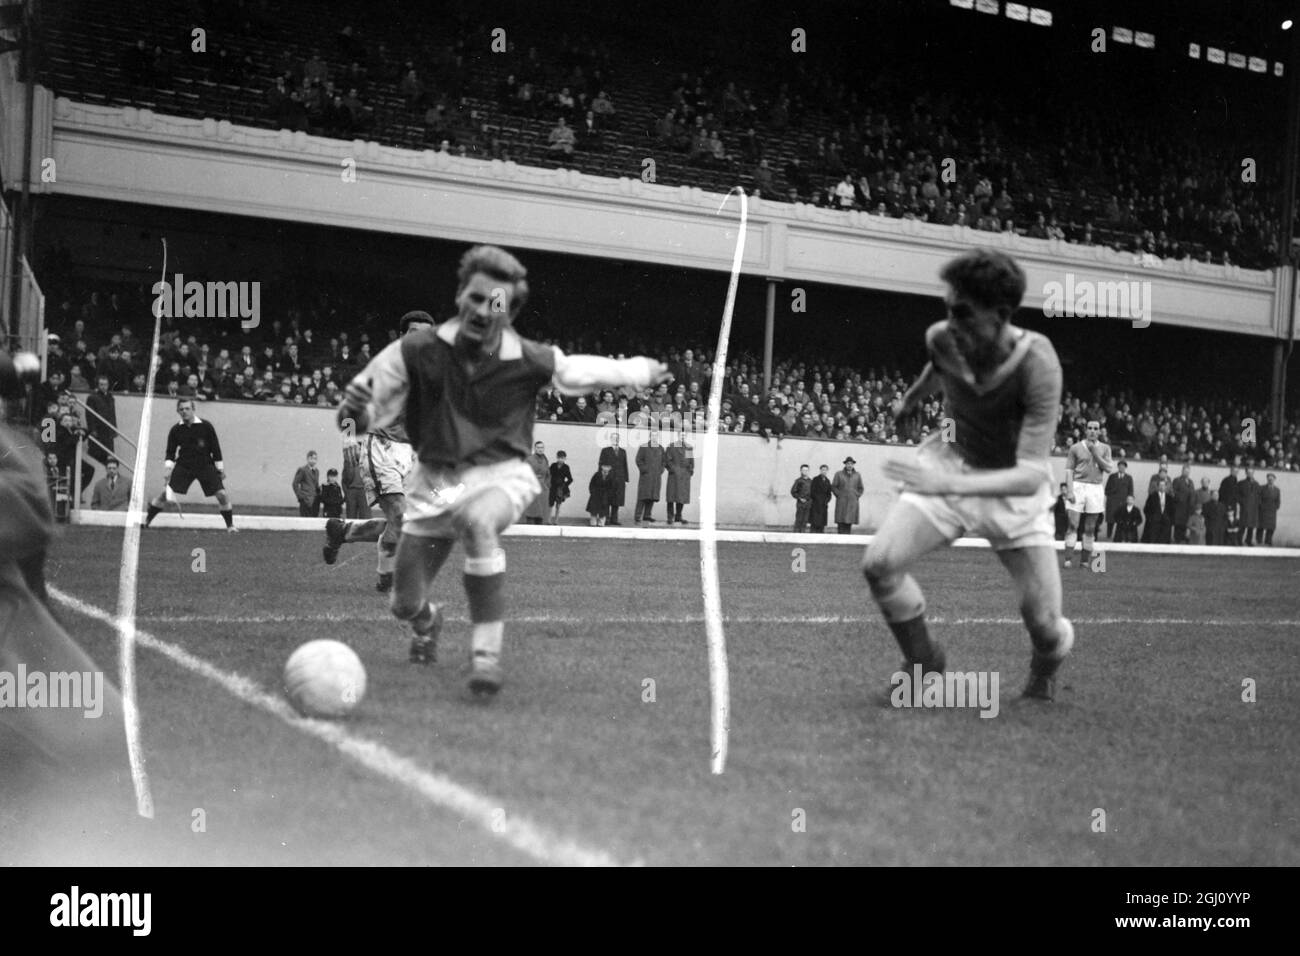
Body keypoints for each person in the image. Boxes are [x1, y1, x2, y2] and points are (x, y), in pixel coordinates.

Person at [336, 245, 670, 695]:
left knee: (478, 521)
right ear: (460, 297)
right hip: (435, 485)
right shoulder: (419, 349)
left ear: (509, 309)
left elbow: (574, 372)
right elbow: (370, 388)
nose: (481, 308)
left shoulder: (528, 357)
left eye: (494, 301)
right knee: (403, 602)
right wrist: (358, 410)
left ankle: (485, 658)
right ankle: (428, 623)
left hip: (500, 474)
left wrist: (636, 368)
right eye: (474, 297)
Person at [867, 248, 1074, 702]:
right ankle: (923, 662)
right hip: (954, 462)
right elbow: (938, 367)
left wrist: (946, 485)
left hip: (1010, 489)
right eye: (948, 309)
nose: (950, 323)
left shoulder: (1038, 363)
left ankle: (1045, 669)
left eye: (963, 313)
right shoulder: (943, 337)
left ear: (1000, 315)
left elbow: (1030, 477)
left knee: (1044, 624)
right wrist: (910, 400)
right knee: (880, 565)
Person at [322, 312, 434, 598]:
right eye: (413, 332)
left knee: (406, 524)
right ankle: (386, 578)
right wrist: (348, 438)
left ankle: (342, 532)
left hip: (409, 453)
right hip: (380, 447)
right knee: (399, 514)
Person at [144, 399, 238, 531]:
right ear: (178, 411)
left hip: (205, 465)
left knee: (222, 495)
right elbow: (170, 452)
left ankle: (230, 526)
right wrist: (168, 470)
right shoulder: (176, 429)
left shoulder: (206, 426)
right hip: (184, 466)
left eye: (187, 408)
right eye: (181, 409)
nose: (184, 412)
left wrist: (220, 469)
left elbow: (215, 449)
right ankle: (147, 522)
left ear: (193, 409)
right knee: (164, 494)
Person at [1061, 420, 1116, 569]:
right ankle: (1067, 559)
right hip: (1078, 486)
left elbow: (1109, 468)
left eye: (1095, 428)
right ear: (1086, 430)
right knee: (1073, 524)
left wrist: (1095, 453)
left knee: (1090, 528)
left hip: (1095, 487)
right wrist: (1070, 490)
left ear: (1099, 431)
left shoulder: (1105, 448)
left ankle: (1084, 561)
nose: (1092, 430)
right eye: (1090, 428)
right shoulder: (1075, 448)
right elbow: (1069, 471)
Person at [633, 433, 666, 525]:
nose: (654, 437)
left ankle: (647, 515)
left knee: (652, 497)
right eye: (653, 436)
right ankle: (637, 516)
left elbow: (664, 461)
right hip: (646, 476)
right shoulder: (644, 447)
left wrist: (660, 470)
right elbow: (638, 460)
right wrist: (645, 470)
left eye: (656, 436)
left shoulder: (660, 448)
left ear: (658, 437)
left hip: (656, 477)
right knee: (642, 496)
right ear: (650, 437)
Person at [599, 433, 629, 526]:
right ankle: (606, 518)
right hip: (609, 478)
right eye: (613, 438)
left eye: (617, 438)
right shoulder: (605, 451)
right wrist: (601, 477)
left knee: (617, 500)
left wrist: (626, 479)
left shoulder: (623, 451)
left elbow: (625, 465)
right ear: (610, 439)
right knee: (607, 499)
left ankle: (614, 519)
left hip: (619, 479)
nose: (615, 440)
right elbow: (601, 464)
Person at [664, 431, 694, 525]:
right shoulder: (671, 446)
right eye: (681, 435)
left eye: (685, 435)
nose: (683, 437)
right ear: (678, 435)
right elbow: (667, 461)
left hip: (684, 475)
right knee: (671, 497)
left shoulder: (689, 448)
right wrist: (674, 470)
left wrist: (689, 471)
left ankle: (678, 516)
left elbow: (691, 461)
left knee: (682, 497)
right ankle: (670, 517)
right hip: (674, 475)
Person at [832, 457, 864, 534]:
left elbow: (861, 488)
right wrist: (839, 495)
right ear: (845, 464)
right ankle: (839, 540)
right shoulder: (839, 474)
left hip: (852, 502)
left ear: (853, 465)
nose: (849, 465)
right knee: (841, 521)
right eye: (848, 463)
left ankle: (847, 538)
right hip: (841, 502)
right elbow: (833, 486)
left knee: (849, 521)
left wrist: (856, 495)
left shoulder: (857, 475)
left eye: (851, 464)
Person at [1103, 460, 1133, 540]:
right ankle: (1108, 536)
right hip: (1112, 502)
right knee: (1111, 521)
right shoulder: (1112, 476)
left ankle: (1121, 538)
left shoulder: (1129, 478)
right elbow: (1106, 490)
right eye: (1120, 466)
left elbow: (1130, 491)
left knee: (1122, 521)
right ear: (1118, 467)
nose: (1121, 468)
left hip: (1123, 503)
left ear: (1125, 468)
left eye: (1123, 466)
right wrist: (1113, 493)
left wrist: (1129, 501)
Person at [340, 438, 369, 518]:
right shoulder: (348, 462)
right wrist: (347, 493)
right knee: (351, 517)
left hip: (363, 492)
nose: (359, 451)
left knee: (365, 517)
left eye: (360, 449)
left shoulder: (367, 463)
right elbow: (344, 480)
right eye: (357, 449)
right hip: (351, 492)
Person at [522, 441, 549, 524]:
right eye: (538, 447)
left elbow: (548, 474)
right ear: (535, 448)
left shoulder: (545, 460)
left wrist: (547, 485)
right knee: (532, 509)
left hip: (542, 488)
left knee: (541, 510)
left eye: (542, 447)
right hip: (532, 486)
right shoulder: (529, 459)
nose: (540, 449)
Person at [1142, 477, 1174, 544]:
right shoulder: (1152, 496)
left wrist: (1170, 520)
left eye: (1163, 485)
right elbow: (1146, 509)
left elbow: (1173, 511)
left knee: (1164, 543)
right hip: (1154, 524)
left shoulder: (1169, 498)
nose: (1162, 487)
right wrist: (1151, 519)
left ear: (1166, 486)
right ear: (1158, 486)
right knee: (1153, 541)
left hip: (1165, 524)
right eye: (1160, 485)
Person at [1170, 463, 1196, 544]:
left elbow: (1193, 494)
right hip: (1179, 509)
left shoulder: (1191, 482)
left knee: (1187, 528)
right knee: (1179, 528)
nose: (1187, 473)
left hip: (1189, 510)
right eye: (1185, 471)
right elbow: (1173, 492)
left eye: (1188, 472)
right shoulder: (1177, 480)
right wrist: (1181, 498)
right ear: (1182, 471)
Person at [293, 450, 321, 517]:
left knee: (314, 520)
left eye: (315, 459)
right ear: (308, 459)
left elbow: (316, 485)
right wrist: (300, 496)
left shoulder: (317, 471)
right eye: (311, 458)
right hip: (305, 499)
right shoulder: (302, 470)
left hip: (314, 500)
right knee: (305, 521)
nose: (313, 460)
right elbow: (295, 484)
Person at [1238, 465, 1261, 546]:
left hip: (1253, 508)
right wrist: (1242, 502)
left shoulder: (1257, 484)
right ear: (1246, 473)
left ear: (1253, 473)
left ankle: (1248, 540)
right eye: (1248, 472)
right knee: (1242, 525)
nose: (1250, 474)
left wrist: (1257, 504)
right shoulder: (1241, 483)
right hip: (1244, 508)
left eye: (1251, 473)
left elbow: (1259, 496)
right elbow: (1237, 495)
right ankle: (1239, 541)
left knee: (1251, 526)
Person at [548, 450, 573, 524]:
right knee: (550, 503)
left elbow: (570, 479)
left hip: (560, 488)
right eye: (559, 458)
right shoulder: (553, 465)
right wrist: (549, 483)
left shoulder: (566, 467)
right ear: (556, 457)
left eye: (562, 458)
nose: (560, 460)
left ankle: (556, 520)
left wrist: (565, 485)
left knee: (558, 504)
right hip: (552, 487)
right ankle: (548, 520)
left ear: (565, 458)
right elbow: (548, 475)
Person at [1259, 473, 1281, 546]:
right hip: (1263, 511)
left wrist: (1276, 507)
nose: (1270, 480)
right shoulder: (1262, 488)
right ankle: (1259, 541)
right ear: (1267, 480)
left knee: (1271, 528)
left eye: (1272, 479)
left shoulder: (1277, 490)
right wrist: (1261, 507)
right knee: (1261, 527)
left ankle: (1268, 541)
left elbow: (1278, 501)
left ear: (1274, 480)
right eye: (1269, 479)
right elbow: (1259, 499)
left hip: (1272, 511)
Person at [809, 464, 832, 533]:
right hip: (816, 504)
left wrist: (826, 500)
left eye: (825, 470)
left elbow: (829, 493)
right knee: (814, 522)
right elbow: (812, 491)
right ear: (820, 471)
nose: (824, 471)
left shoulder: (828, 481)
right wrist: (818, 499)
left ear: (827, 471)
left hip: (824, 505)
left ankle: (820, 537)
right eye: (822, 470)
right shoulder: (815, 479)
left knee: (822, 523)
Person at [791, 464, 812, 532]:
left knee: (805, 520)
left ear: (808, 471)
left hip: (808, 504)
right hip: (800, 503)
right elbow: (793, 491)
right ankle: (796, 534)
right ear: (801, 471)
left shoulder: (810, 481)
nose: (805, 471)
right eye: (803, 470)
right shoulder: (798, 481)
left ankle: (803, 535)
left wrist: (810, 500)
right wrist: (799, 498)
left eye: (806, 470)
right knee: (799, 519)